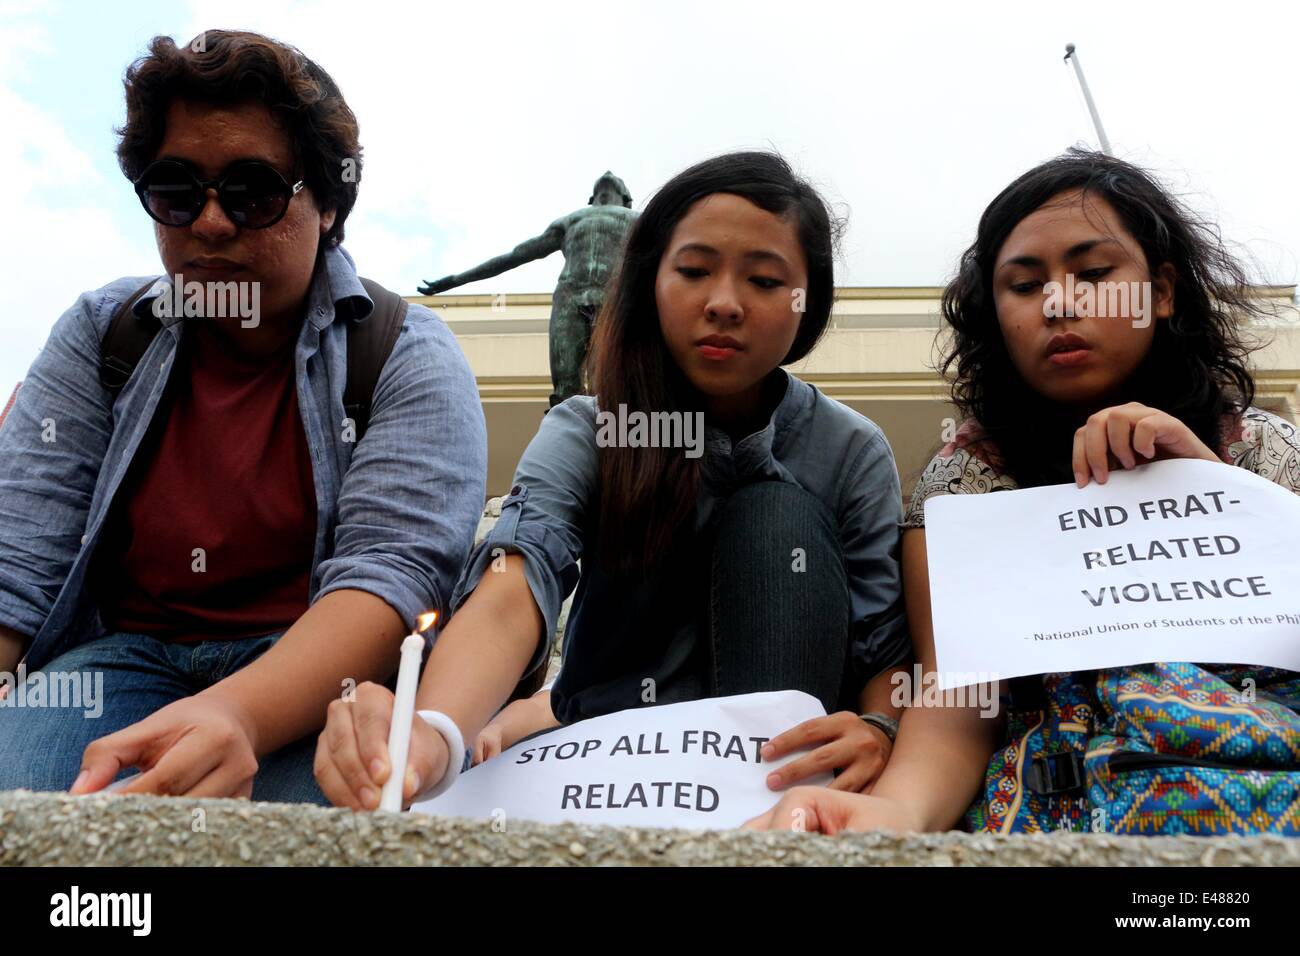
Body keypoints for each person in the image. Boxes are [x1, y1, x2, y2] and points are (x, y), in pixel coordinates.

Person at [315, 151, 911, 811]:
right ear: (650, 281)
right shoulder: (590, 428)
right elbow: (518, 579)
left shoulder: (851, 451)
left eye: (765, 281)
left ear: (809, 302)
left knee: (777, 517)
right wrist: (435, 730)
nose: (723, 304)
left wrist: (880, 726)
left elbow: (882, 640)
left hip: (774, 780)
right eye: (693, 271)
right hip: (611, 771)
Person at [746, 148, 1300, 834]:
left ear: (1161, 291)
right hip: (1055, 812)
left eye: (1094, 274)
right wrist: (892, 813)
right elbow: (959, 699)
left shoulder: (1269, 453)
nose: (1059, 302)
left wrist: (1209, 490)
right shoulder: (964, 483)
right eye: (1024, 284)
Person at [0, 30, 486, 804]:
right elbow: (19, 561)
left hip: (316, 680)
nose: (210, 223)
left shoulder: (405, 351)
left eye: (253, 192)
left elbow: (391, 574)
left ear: (328, 205)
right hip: (120, 663)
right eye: (177, 191)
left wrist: (236, 714)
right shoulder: (101, 334)